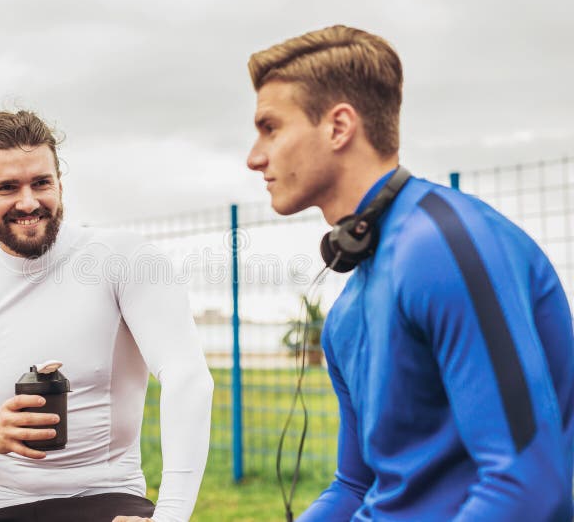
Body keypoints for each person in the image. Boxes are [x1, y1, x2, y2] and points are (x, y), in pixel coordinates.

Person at [246, 25, 574, 521]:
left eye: (270, 128)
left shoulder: (444, 246)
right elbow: (356, 485)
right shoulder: (346, 312)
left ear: (339, 127)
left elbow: (526, 486)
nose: (255, 157)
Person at [0, 110, 214, 522]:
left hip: (106, 496)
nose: (28, 202)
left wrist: (170, 517)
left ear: (60, 182)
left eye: (40, 183)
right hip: (0, 505)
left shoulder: (124, 259)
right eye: (7, 187)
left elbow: (188, 378)